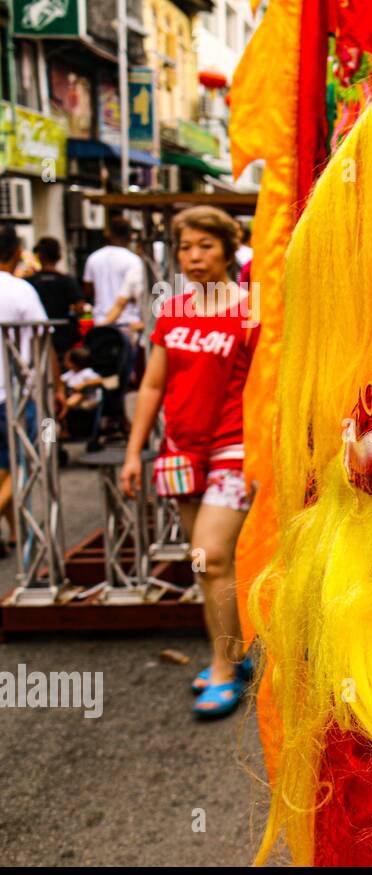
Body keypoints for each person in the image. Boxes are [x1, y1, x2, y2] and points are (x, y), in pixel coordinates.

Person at [119, 206, 260, 718]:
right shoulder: (172, 310)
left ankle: (223, 669)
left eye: (205, 245)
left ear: (227, 248)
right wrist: (135, 453)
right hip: (180, 451)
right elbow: (153, 384)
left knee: (211, 555)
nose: (194, 256)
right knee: (204, 567)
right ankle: (232, 653)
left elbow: (269, 387)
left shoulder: (253, 310)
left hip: (233, 449)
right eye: (185, 247)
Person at [0, 226, 64, 548]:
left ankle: (16, 534)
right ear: (16, 252)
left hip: (10, 394)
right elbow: (42, 341)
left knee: (4, 469)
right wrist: (56, 388)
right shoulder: (20, 290)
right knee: (23, 462)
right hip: (13, 394)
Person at [83, 217, 143, 443]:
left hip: (102, 327)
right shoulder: (133, 261)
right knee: (124, 379)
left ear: (108, 233)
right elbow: (126, 300)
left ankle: (110, 423)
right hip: (126, 327)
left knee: (106, 378)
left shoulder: (93, 258)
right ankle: (119, 422)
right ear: (129, 235)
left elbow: (88, 288)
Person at [27, 237, 87, 359]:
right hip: (63, 336)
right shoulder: (67, 281)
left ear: (39, 256)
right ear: (59, 256)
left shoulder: (29, 282)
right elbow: (80, 307)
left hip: (37, 336)